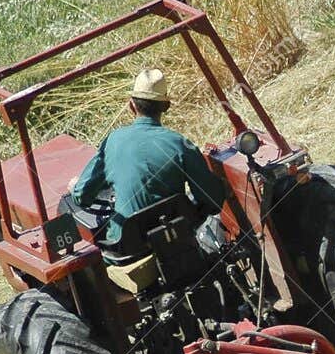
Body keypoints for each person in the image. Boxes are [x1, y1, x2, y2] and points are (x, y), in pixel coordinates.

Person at [67, 67, 227, 249]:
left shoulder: (113, 141)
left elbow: (82, 196)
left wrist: (75, 187)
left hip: (128, 249)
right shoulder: (180, 143)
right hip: (178, 241)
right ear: (166, 107)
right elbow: (212, 199)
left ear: (131, 105)